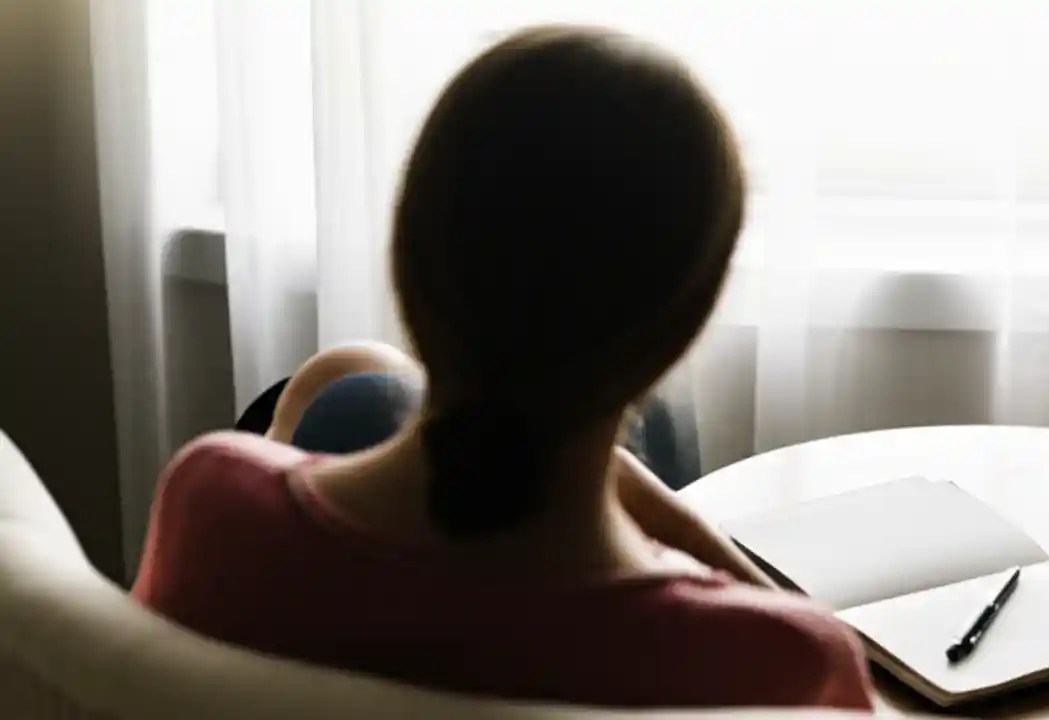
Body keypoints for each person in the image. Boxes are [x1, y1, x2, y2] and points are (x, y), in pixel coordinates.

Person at [131, 26, 874, 710]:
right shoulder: (779, 662)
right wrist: (729, 569)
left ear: (407, 259)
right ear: (680, 333)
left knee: (349, 383)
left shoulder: (213, 504)